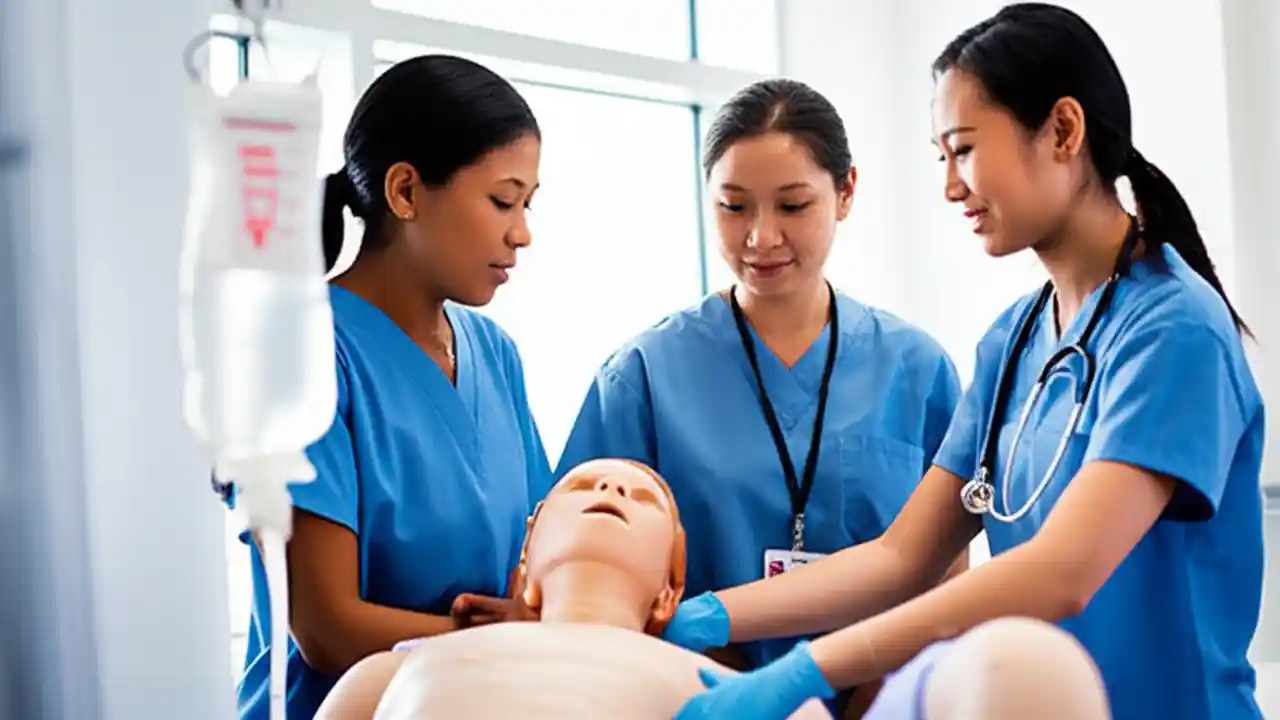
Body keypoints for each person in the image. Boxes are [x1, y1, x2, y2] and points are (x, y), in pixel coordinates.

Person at [663, 4, 1266, 720]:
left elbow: (1061, 573)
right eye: (941, 157)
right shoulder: (1014, 341)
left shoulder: (1172, 332)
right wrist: (708, 616)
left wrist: (805, 669)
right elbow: (901, 557)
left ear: (1063, 131)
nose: (951, 185)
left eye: (965, 149)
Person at [553, 77, 965, 715]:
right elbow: (590, 577)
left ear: (846, 192)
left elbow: (944, 575)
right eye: (734, 206)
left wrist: (873, 702)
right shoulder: (644, 375)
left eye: (793, 206)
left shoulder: (918, 369)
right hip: (692, 699)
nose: (760, 238)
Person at [226, 54, 554, 719]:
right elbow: (326, 629)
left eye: (526, 204)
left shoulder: (495, 354)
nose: (521, 234)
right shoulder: (299, 351)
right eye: (501, 200)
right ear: (404, 192)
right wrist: (511, 643)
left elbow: (538, 556)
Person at [310, 459, 832, 719]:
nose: (611, 488)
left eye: (644, 499)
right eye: (580, 488)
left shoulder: (752, 701)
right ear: (523, 565)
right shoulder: (387, 674)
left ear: (670, 590)